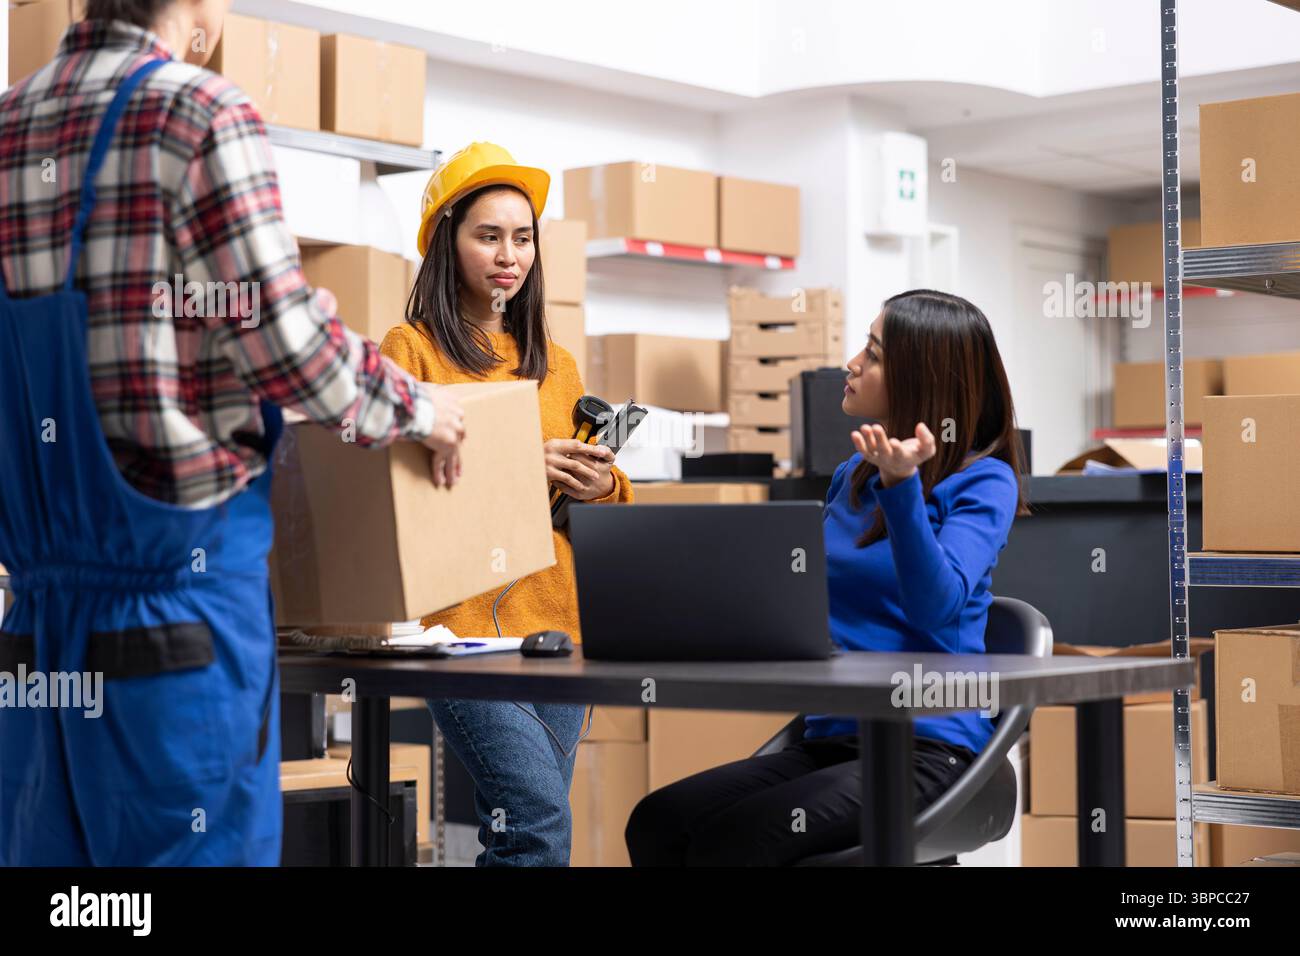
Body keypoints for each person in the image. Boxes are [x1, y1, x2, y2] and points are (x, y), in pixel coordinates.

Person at [0, 0, 464, 865]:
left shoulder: (7, 126)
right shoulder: (198, 112)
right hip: (174, 626)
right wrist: (426, 411)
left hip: (31, 641)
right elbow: (290, 350)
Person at [624, 289, 1028, 866]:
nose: (853, 362)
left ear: (921, 375)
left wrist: (902, 490)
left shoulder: (984, 482)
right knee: (659, 822)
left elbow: (936, 606)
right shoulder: (852, 477)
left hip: (927, 749)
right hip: (833, 740)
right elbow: (800, 595)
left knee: (734, 840)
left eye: (875, 351)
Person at [380, 142, 634, 866]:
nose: (508, 256)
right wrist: (521, 464)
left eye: (522, 238)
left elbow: (602, 512)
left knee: (527, 833)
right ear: (446, 242)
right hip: (459, 634)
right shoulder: (411, 350)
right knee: (534, 827)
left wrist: (602, 485)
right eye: (487, 235)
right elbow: (397, 489)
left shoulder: (557, 362)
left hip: (560, 629)